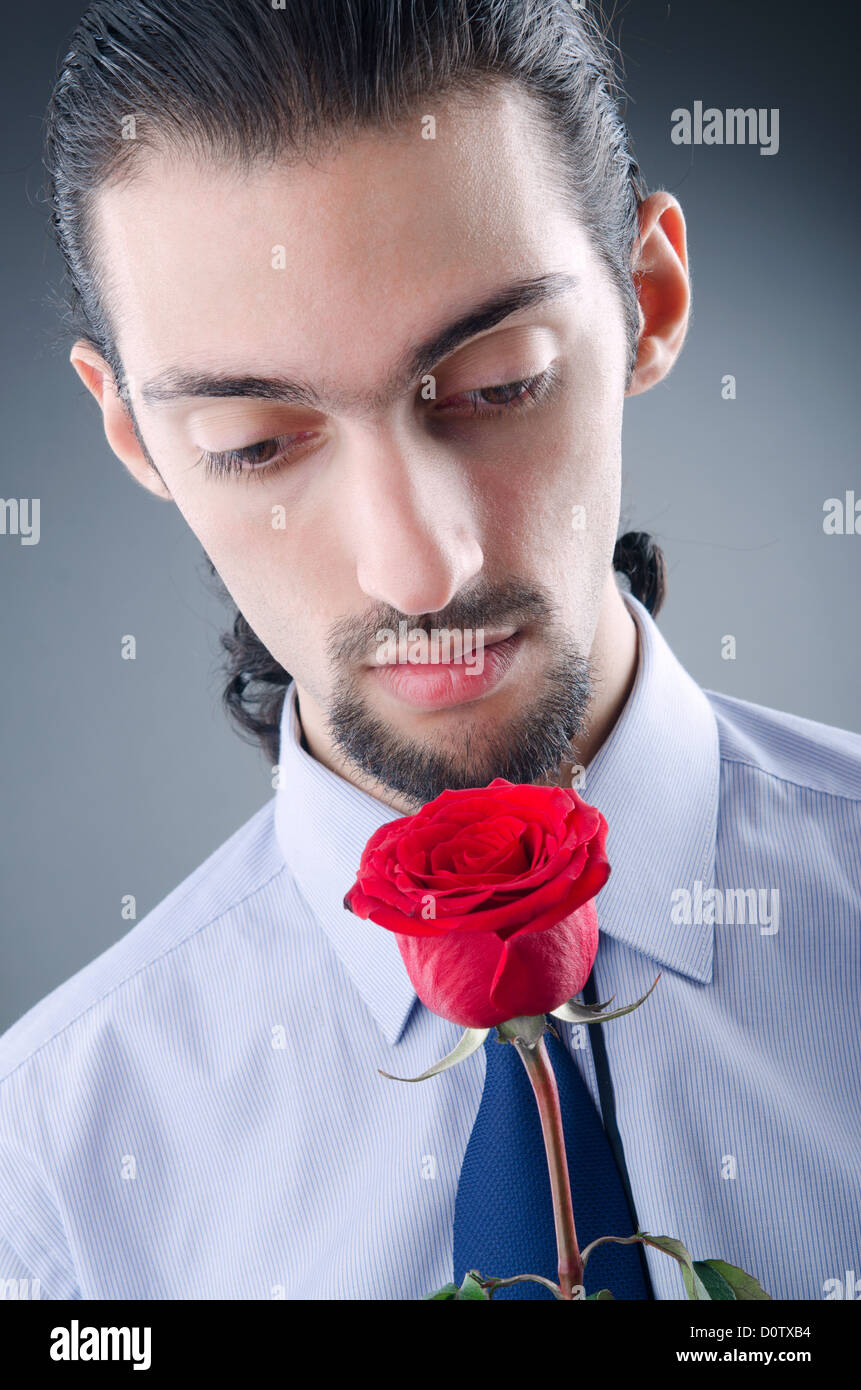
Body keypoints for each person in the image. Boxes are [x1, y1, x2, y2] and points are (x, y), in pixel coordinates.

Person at [0, 0, 858, 1301]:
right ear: (135, 442)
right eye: (253, 441)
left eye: (498, 380)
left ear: (649, 299)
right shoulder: (48, 1166)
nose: (418, 568)